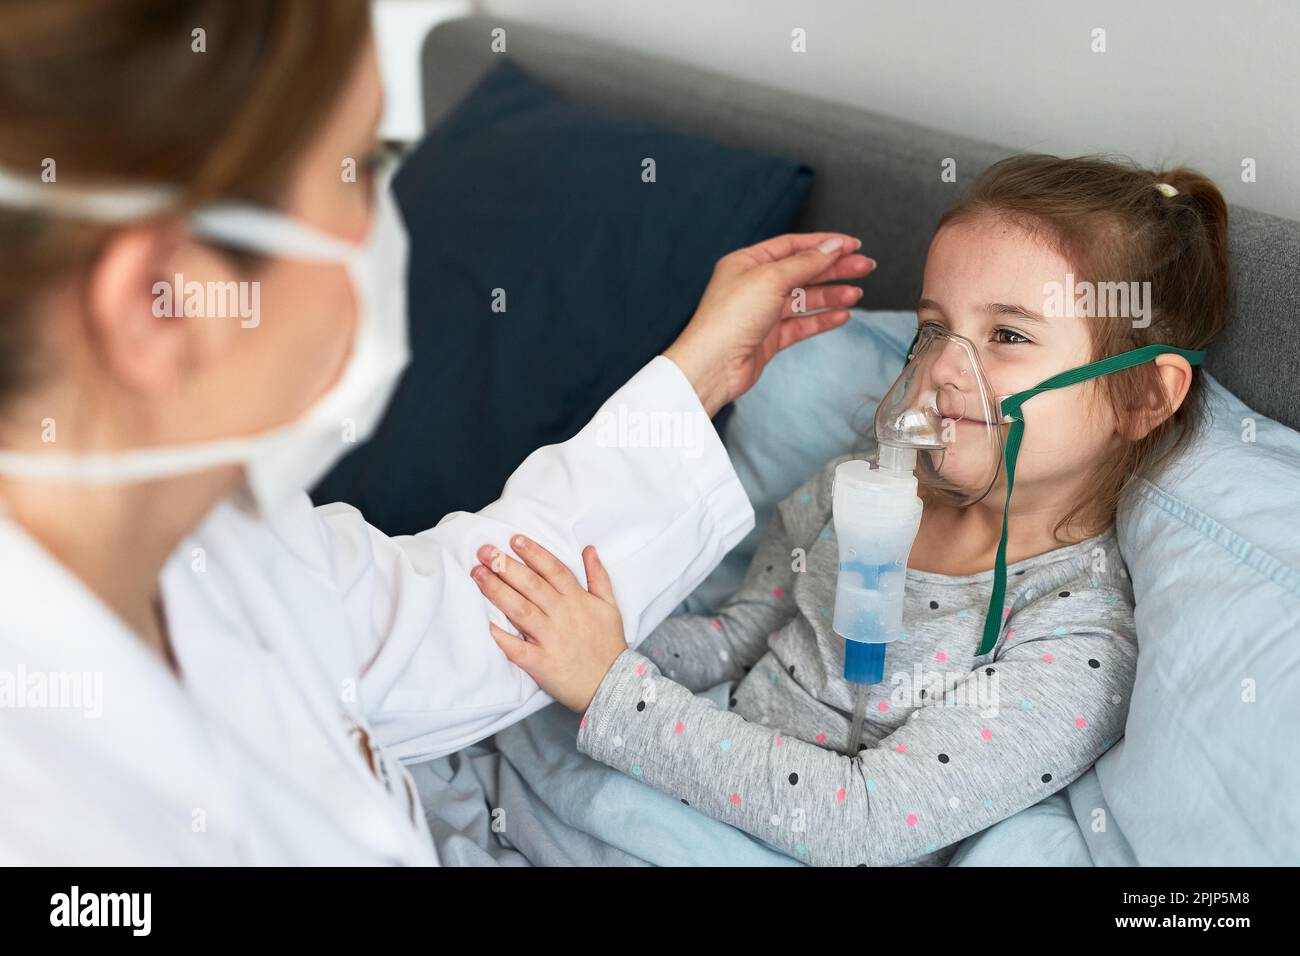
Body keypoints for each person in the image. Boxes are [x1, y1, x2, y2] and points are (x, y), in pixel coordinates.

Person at [0, 0, 872, 864]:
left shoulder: (215, 535)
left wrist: (704, 371)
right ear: (164, 303)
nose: (389, 225)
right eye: (353, 174)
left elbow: (454, 617)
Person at [470, 155, 1228, 866]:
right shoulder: (856, 491)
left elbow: (863, 821)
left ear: (1146, 395)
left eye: (1006, 335)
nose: (939, 371)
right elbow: (737, 642)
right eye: (935, 330)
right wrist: (577, 640)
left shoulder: (1077, 638)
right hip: (634, 797)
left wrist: (610, 690)